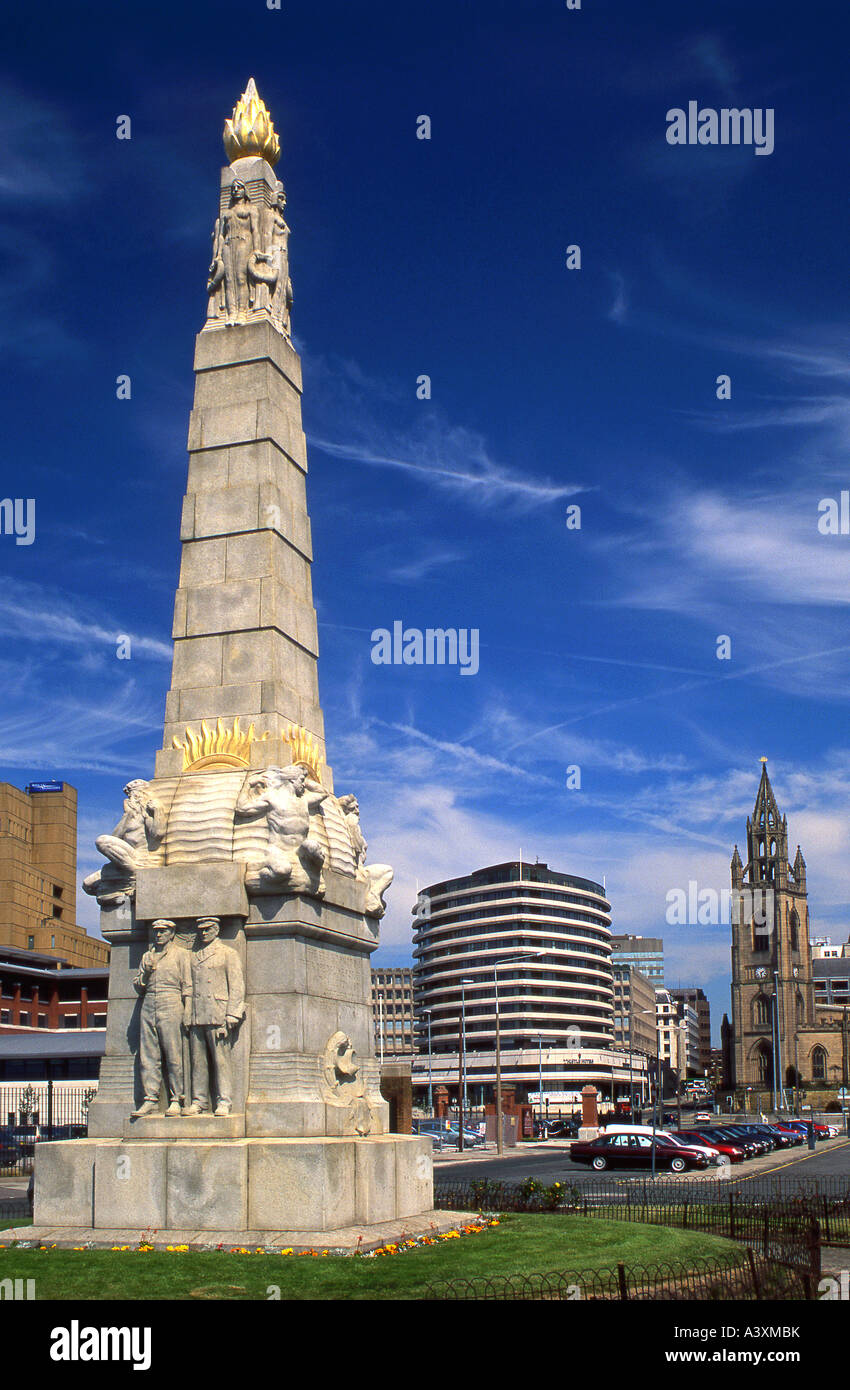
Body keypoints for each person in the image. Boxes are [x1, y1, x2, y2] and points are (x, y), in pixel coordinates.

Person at [132, 920, 192, 1117]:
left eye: (163, 931)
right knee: (148, 1055)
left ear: (171, 933)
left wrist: (188, 1010)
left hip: (171, 1001)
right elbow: (138, 987)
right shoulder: (147, 956)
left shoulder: (181, 955)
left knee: (174, 1053)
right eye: (156, 931)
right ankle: (151, 1099)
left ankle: (177, 1098)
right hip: (149, 1003)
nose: (158, 935)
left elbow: (188, 985)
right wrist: (146, 972)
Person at [186, 918, 245, 1117]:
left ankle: (224, 1101)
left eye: (208, 929)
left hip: (218, 1014)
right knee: (198, 1062)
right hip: (197, 1013)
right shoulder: (194, 956)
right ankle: (199, 1101)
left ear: (217, 929)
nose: (204, 933)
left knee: (221, 1062)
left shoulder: (228, 953)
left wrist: (231, 1014)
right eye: (201, 930)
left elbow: (236, 985)